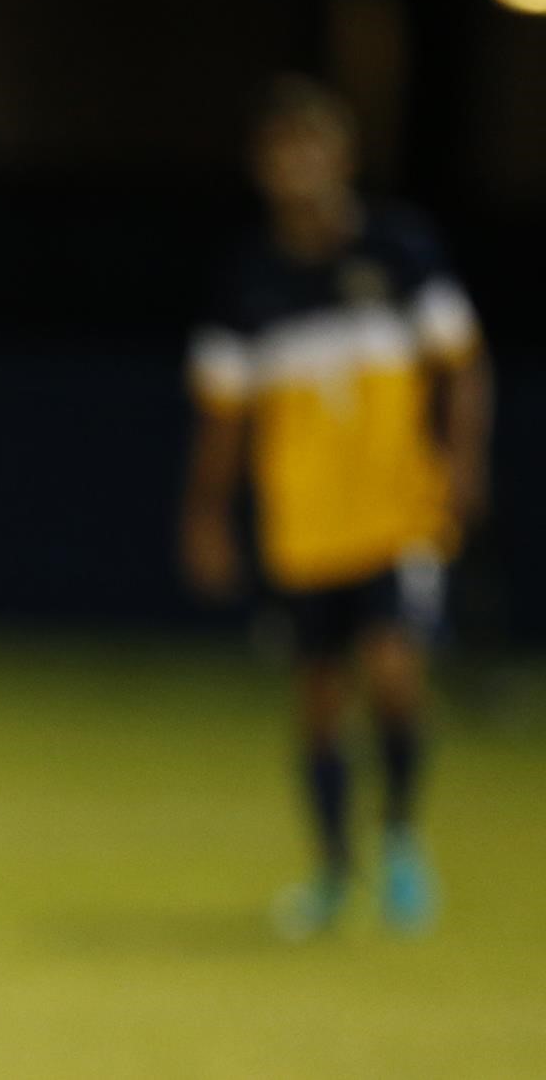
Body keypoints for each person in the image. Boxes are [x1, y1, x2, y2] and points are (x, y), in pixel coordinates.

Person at [180, 77, 492, 938]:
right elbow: (223, 414)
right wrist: (206, 515)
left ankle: (397, 836)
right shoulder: (250, 280)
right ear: (264, 166)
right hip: (304, 524)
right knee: (319, 698)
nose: (298, 166)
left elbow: (463, 364)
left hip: (397, 514)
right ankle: (329, 871)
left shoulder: (399, 250)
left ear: (342, 156)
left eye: (311, 146)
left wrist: (464, 463)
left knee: (394, 674)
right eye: (282, 150)